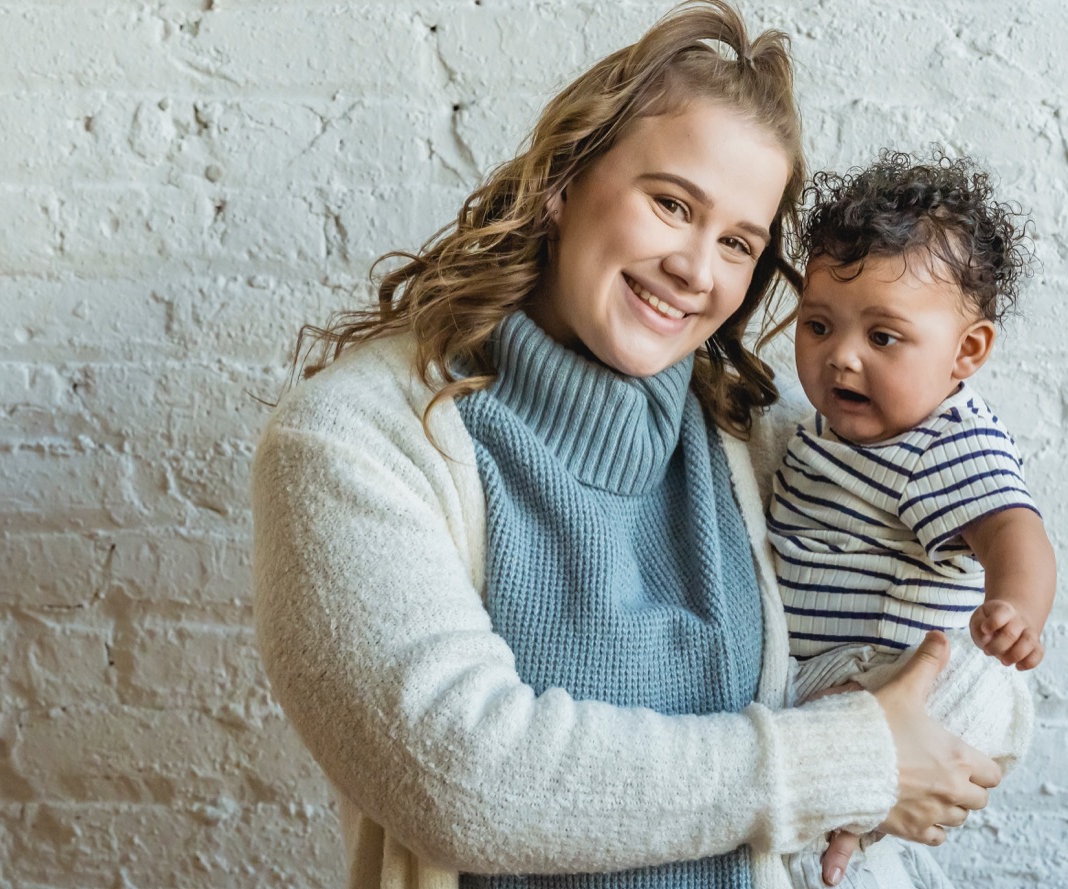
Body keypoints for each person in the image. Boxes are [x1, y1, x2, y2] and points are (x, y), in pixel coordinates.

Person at [252, 5, 1001, 888]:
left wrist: (917, 727)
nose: (696, 268)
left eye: (736, 242)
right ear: (562, 182)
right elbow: (462, 780)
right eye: (672, 203)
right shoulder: (353, 444)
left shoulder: (758, 444)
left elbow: (967, 684)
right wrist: (848, 759)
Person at [769, 150, 1054, 888]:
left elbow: (1012, 529)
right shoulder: (819, 431)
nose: (842, 359)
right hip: (809, 677)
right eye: (819, 325)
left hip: (888, 667)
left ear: (968, 351)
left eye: (883, 337)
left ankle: (846, 835)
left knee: (977, 684)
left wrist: (1016, 608)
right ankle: (843, 827)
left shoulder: (942, 438)